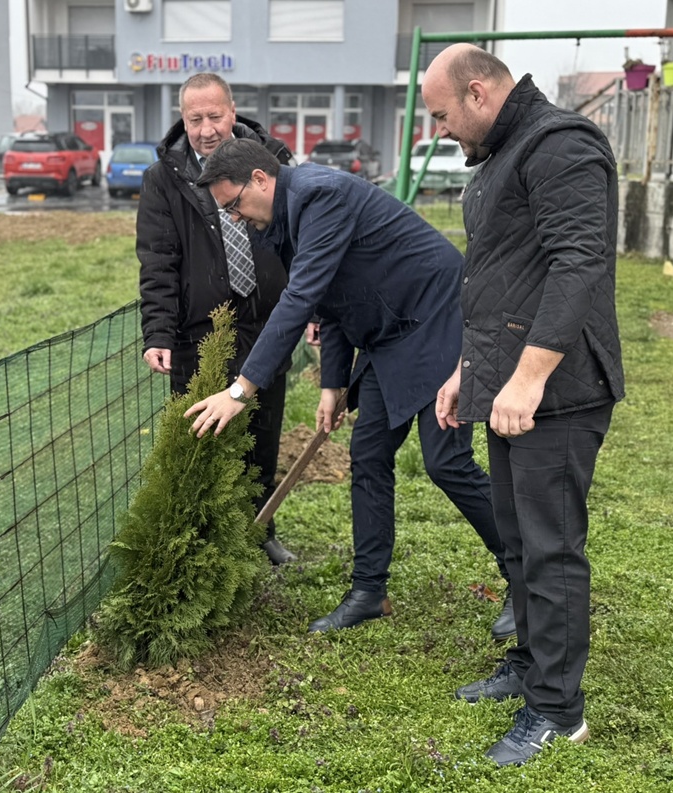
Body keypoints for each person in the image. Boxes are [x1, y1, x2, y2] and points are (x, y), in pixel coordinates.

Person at [184, 138, 512, 640]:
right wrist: (333, 384)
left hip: (439, 318)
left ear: (259, 179)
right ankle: (368, 591)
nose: (232, 218)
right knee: (369, 453)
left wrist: (239, 389)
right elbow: (331, 301)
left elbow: (301, 298)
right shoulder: (281, 219)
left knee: (445, 460)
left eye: (233, 205)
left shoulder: (320, 195)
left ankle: (526, 579)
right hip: (389, 335)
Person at [422, 44, 625, 766]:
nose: (439, 129)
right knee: (516, 539)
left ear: (478, 93)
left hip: (558, 394)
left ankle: (559, 709)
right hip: (507, 388)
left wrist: (533, 376)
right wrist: (464, 372)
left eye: (442, 114)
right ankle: (531, 663)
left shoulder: (560, 145)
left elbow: (580, 262)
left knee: (551, 547)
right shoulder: (505, 154)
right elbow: (500, 279)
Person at [136, 73, 297, 566]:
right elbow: (157, 260)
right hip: (198, 332)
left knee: (263, 431)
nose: (205, 129)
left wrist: (311, 312)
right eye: (193, 119)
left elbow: (298, 241)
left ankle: (260, 528)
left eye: (214, 116)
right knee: (204, 433)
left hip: (267, 320)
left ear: (233, 111)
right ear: (182, 119)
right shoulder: (165, 177)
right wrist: (159, 331)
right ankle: (205, 538)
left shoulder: (272, 161)